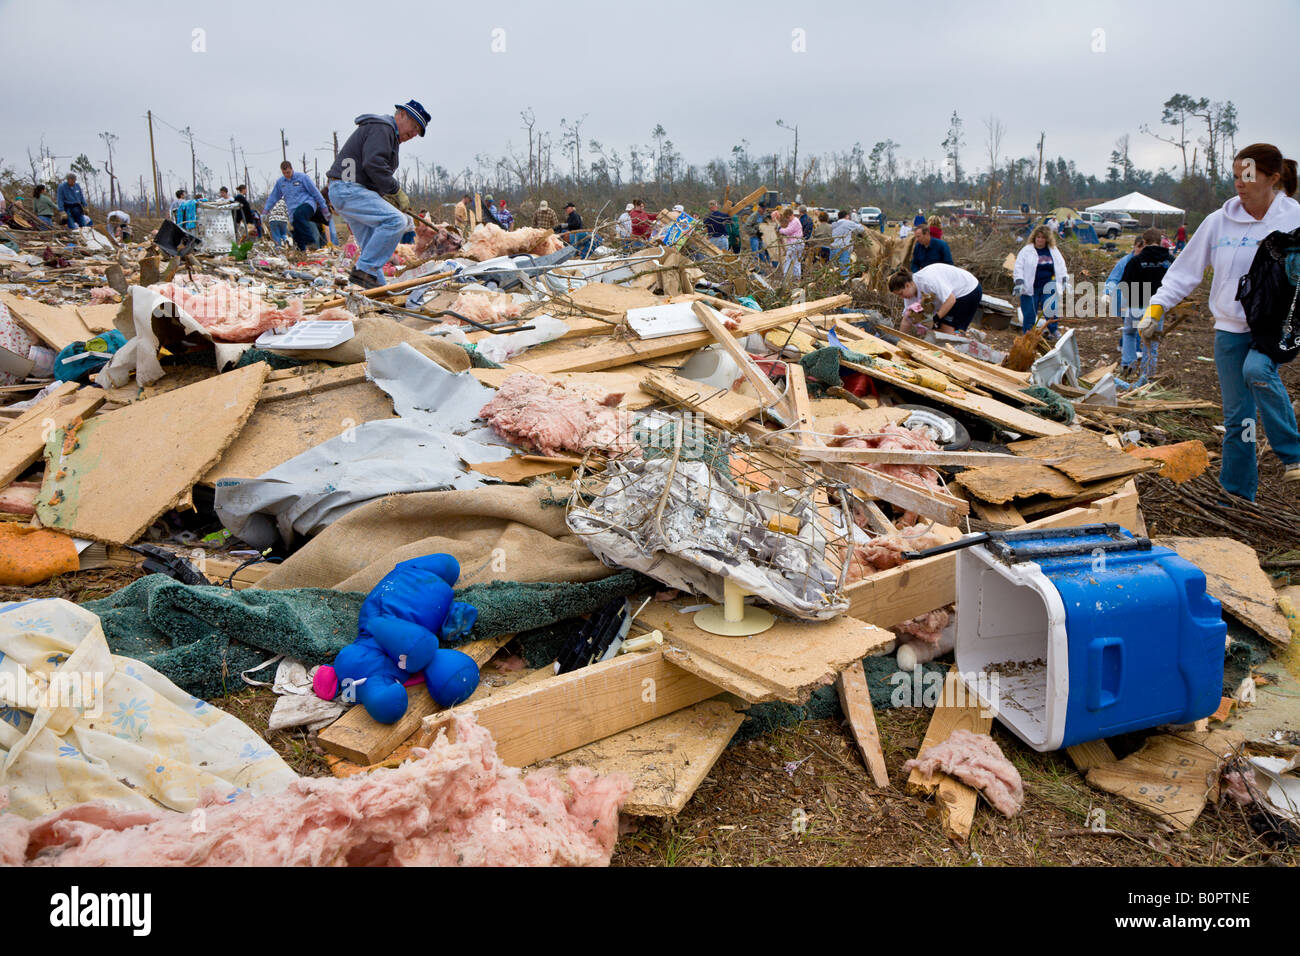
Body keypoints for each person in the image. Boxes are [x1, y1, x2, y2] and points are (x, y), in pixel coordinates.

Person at [1139, 142, 1300, 496]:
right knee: (1238, 420)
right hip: (1229, 329)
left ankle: (1293, 455)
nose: (1239, 183)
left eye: (1248, 174)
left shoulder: (1294, 220)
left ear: (1272, 178)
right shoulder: (1218, 222)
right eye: (1235, 175)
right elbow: (1184, 272)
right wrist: (1156, 308)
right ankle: (1238, 494)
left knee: (1257, 371)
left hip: (1274, 327)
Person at [325, 99, 428, 288]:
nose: (412, 134)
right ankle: (362, 271)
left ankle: (378, 292)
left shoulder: (385, 131)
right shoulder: (383, 128)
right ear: (401, 114)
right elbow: (374, 164)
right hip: (349, 189)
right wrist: (395, 191)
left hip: (346, 189)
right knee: (397, 221)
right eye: (413, 128)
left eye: (416, 133)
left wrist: (383, 194)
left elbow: (371, 168)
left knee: (371, 247)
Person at [1118, 228, 1173, 375]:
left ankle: (1128, 366)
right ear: (1160, 241)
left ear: (1144, 241)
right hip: (1156, 305)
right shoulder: (1168, 261)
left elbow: (1124, 283)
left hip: (1137, 301)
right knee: (1151, 341)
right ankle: (1147, 373)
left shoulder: (1136, 260)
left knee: (1129, 333)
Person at [888, 263, 984, 334]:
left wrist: (935, 318)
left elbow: (951, 300)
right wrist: (900, 339)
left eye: (901, 294)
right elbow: (907, 318)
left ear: (907, 285)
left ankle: (958, 351)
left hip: (968, 290)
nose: (902, 297)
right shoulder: (909, 292)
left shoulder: (928, 281)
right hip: (952, 295)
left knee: (947, 331)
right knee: (936, 331)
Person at [1013, 225, 1070, 341]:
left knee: (1050, 307)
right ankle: (1028, 334)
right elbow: (1018, 267)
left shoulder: (1053, 251)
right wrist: (1019, 281)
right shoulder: (1026, 251)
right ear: (1034, 238)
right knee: (1029, 312)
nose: (1040, 240)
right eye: (1038, 237)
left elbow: (1061, 265)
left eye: (1043, 238)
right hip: (1030, 286)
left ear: (1047, 239)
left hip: (1048, 285)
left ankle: (1054, 330)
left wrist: (1064, 279)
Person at [261, 160, 329, 252]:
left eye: (288, 172)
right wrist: (265, 211)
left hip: (307, 204)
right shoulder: (281, 183)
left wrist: (323, 206)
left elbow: (314, 191)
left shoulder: (302, 178)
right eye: (284, 173)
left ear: (292, 169)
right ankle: (301, 252)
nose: (286, 175)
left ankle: (310, 241)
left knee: (299, 214)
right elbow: (273, 197)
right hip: (293, 211)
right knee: (297, 234)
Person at [1105, 234, 1147, 374]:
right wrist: (1107, 292)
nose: (1141, 250)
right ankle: (1135, 350)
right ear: (1134, 246)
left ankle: (1124, 345)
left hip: (1140, 297)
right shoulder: (1125, 261)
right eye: (1139, 246)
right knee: (1132, 324)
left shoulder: (1146, 262)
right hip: (1123, 297)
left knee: (1135, 324)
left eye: (1144, 247)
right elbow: (1114, 278)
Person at [829, 209, 865, 278]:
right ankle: (843, 287)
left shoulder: (833, 224)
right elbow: (861, 229)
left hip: (832, 249)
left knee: (833, 270)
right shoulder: (848, 223)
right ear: (847, 216)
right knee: (844, 271)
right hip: (843, 249)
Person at [777, 208, 804, 284]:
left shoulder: (794, 221)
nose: (788, 220)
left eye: (788, 217)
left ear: (792, 215)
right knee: (796, 262)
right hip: (798, 243)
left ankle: (786, 278)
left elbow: (788, 231)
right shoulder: (794, 221)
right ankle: (797, 279)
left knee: (789, 260)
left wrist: (780, 229)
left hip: (794, 244)